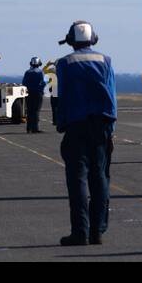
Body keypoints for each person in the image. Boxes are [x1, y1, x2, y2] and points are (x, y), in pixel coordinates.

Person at [54, 21, 117, 246]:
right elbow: (111, 95)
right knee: (99, 178)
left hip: (76, 126)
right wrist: (111, 131)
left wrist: (61, 124)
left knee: (77, 179)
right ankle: (98, 231)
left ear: (71, 40)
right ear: (94, 39)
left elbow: (62, 96)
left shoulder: (64, 63)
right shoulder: (105, 61)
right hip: (101, 126)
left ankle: (80, 231)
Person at [23, 56, 46, 132]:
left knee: (29, 110)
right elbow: (43, 82)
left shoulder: (27, 72)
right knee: (36, 110)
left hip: (29, 93)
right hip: (38, 93)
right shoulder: (40, 72)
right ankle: (35, 128)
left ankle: (28, 128)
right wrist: (41, 88)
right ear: (39, 63)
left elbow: (24, 82)